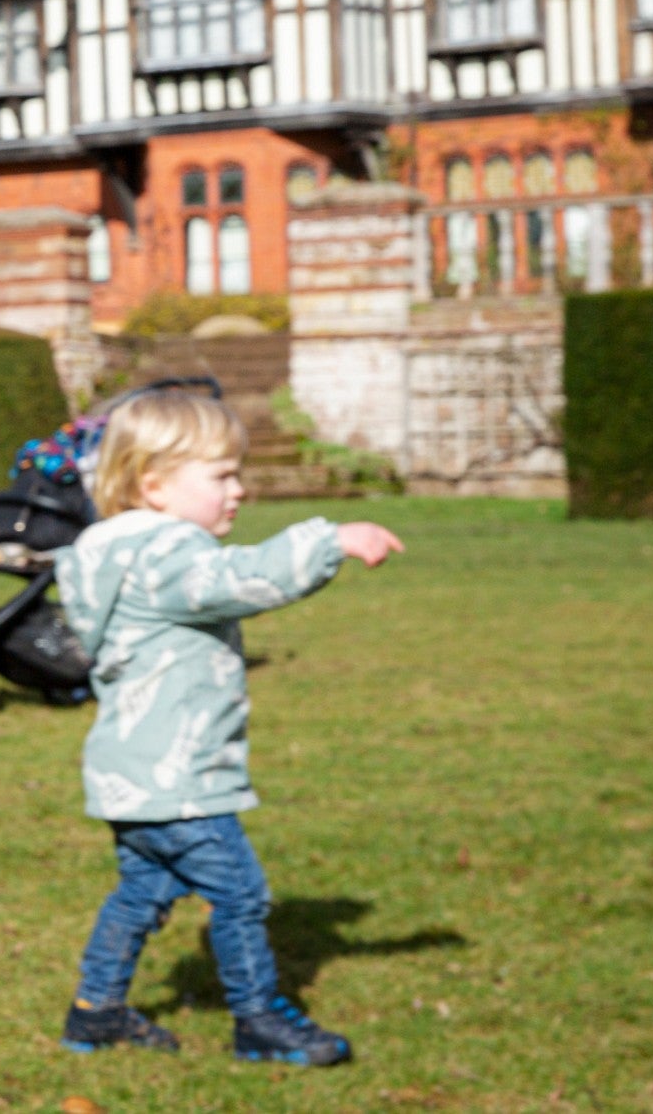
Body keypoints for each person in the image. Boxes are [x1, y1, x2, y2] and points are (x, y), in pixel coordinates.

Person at [50, 389, 401, 1068]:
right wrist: (331, 540)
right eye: (220, 476)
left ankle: (95, 1012)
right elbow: (242, 577)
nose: (239, 491)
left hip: (132, 776)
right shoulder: (165, 554)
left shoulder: (113, 552)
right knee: (240, 894)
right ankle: (259, 1018)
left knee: (143, 893)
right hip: (178, 777)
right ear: (152, 484)